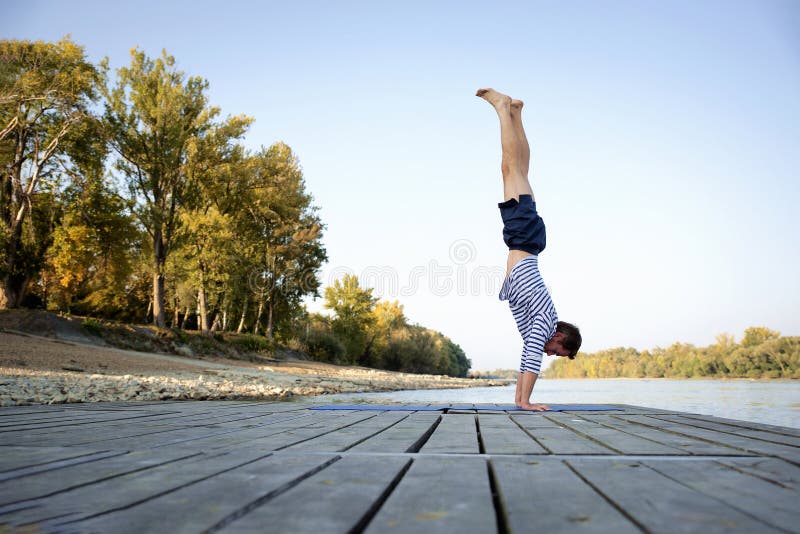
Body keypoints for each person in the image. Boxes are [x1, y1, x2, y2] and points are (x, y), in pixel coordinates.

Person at [477, 88, 582, 411]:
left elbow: (529, 354)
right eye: (558, 352)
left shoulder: (544, 323)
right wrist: (524, 402)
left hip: (529, 242)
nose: (552, 354)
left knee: (516, 171)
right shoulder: (545, 325)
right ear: (561, 338)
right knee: (512, 168)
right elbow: (532, 357)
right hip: (523, 239)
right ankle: (502, 108)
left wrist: (520, 399)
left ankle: (516, 114)